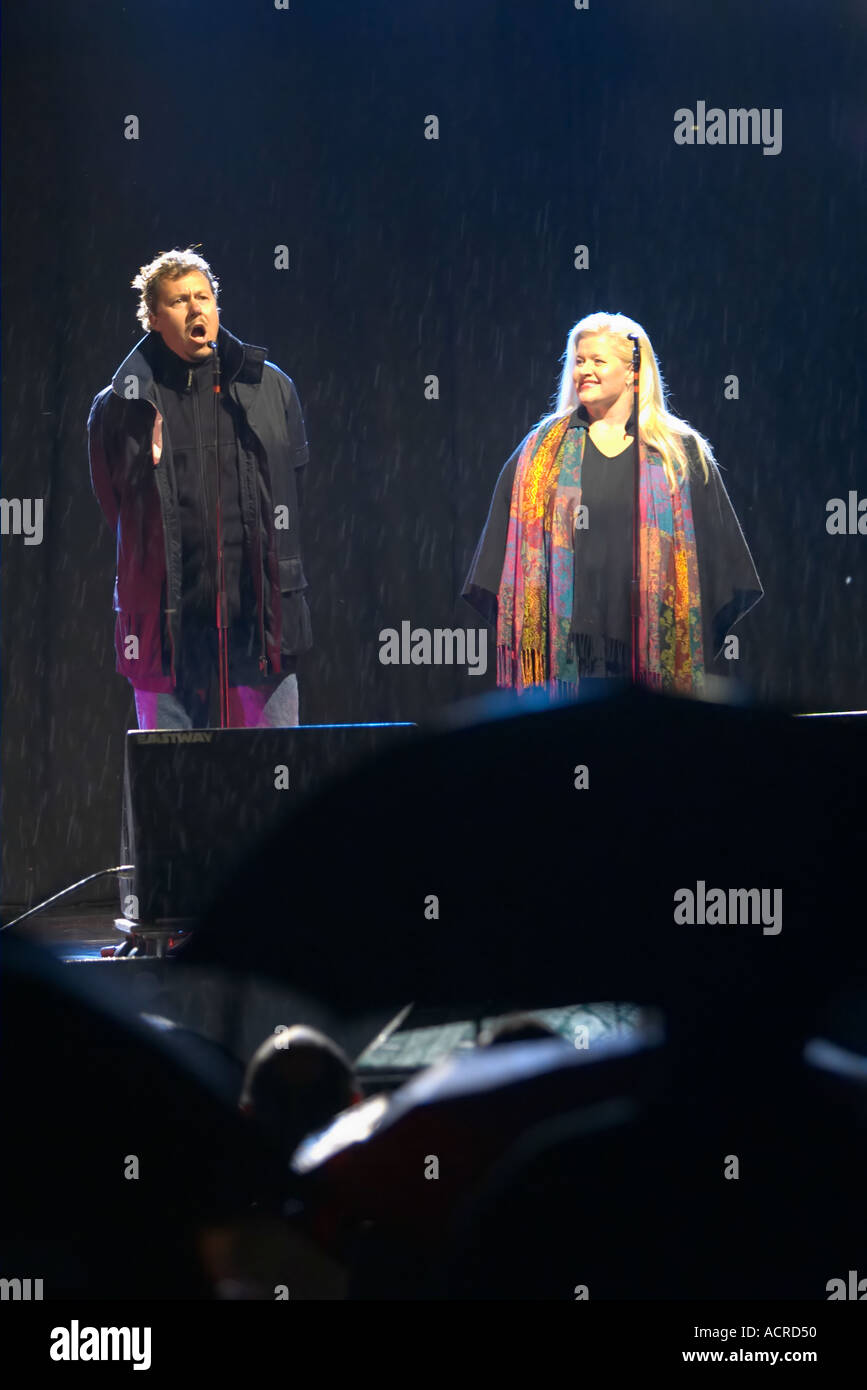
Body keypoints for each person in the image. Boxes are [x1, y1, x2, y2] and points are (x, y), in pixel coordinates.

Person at [462, 311, 763, 696]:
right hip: (564, 663)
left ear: (632, 372)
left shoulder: (678, 454)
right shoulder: (539, 454)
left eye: (598, 361)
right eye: (579, 360)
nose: (584, 370)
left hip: (651, 658)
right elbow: (499, 565)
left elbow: (721, 565)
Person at [88, 247, 311, 728]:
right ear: (151, 318)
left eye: (203, 297)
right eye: (178, 301)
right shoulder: (120, 405)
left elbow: (295, 486)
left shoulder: (270, 388)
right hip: (168, 628)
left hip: (260, 618)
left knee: (277, 775)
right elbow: (115, 506)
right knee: (168, 786)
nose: (196, 309)